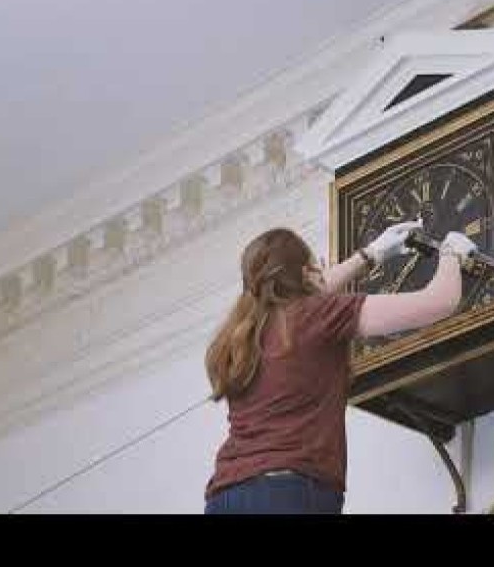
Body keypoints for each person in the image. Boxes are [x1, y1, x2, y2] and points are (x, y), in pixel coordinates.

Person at [203, 220, 477, 514]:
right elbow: (438, 302)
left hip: (225, 496)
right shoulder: (318, 315)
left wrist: (372, 254)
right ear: (307, 274)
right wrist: (452, 252)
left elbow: (309, 293)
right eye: (316, 266)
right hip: (289, 492)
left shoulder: (240, 333)